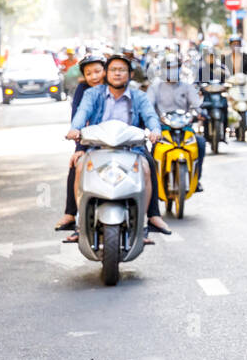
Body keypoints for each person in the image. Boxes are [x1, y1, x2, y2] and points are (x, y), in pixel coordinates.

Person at [65, 54, 171, 240]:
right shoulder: (92, 94)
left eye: (122, 70)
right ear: (106, 73)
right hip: (97, 149)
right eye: (113, 69)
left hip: (131, 149)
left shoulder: (139, 96)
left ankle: (142, 225)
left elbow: (150, 116)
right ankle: (80, 224)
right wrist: (75, 128)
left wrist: (155, 130)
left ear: (130, 74)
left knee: (147, 168)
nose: (117, 73)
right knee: (80, 166)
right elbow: (82, 113)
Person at [55, 53, 108, 232]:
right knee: (75, 165)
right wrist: (79, 148)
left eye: (98, 71)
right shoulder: (82, 90)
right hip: (91, 141)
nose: (94, 77)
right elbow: (78, 120)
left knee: (147, 162)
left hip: (122, 141)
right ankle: (71, 214)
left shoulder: (118, 86)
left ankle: (151, 217)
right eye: (89, 73)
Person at [150, 54, 208, 191]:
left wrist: (200, 112)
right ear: (163, 69)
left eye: (176, 67)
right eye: (169, 67)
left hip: (185, 127)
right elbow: (148, 106)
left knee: (200, 143)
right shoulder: (155, 87)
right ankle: (153, 182)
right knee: (152, 149)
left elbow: (196, 104)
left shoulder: (187, 87)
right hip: (163, 128)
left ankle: (196, 179)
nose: (172, 70)